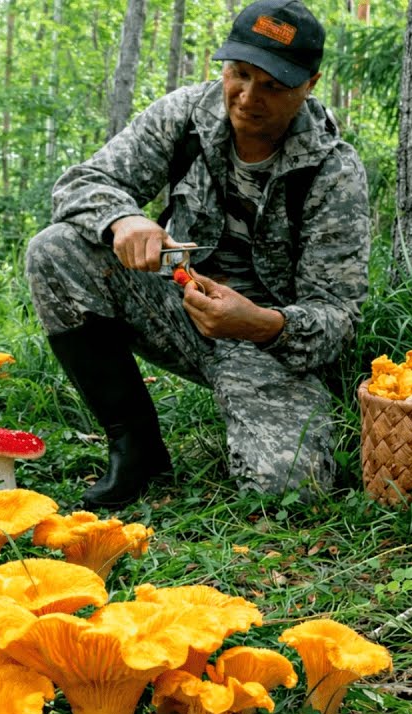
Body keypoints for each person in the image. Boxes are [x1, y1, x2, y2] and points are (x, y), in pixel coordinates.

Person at [24, 0, 370, 508]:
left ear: (309, 84)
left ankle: (254, 411)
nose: (248, 97)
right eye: (239, 73)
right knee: (55, 249)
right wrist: (126, 219)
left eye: (273, 85)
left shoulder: (334, 171)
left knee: (291, 490)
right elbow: (82, 183)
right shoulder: (187, 115)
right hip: (175, 307)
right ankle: (135, 447)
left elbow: (339, 318)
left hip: (267, 343)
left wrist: (260, 323)